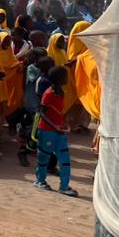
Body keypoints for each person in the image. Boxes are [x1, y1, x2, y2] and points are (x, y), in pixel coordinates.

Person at [34, 66, 78, 197]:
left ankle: (64, 186)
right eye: (65, 76)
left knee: (65, 159)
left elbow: (57, 112)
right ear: (59, 79)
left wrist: (63, 122)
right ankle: (40, 180)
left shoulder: (61, 93)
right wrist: (54, 126)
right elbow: (42, 113)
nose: (67, 78)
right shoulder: (48, 94)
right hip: (47, 131)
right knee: (43, 158)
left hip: (58, 132)